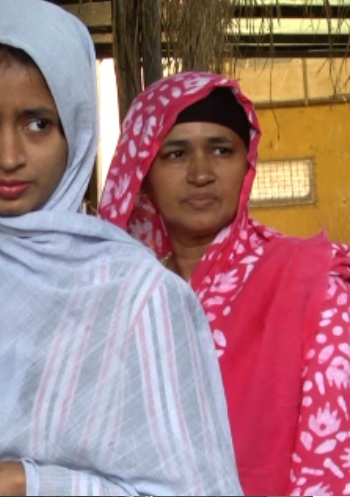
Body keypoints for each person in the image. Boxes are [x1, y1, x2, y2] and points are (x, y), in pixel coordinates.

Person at [0, 0, 240, 496]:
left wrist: (25, 482)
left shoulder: (140, 299)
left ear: (76, 129)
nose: (8, 156)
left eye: (38, 124)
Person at [99, 71, 350, 496]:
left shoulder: (312, 286)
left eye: (221, 150)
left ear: (246, 163)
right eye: (176, 154)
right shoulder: (116, 298)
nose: (201, 174)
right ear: (143, 171)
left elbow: (330, 462)